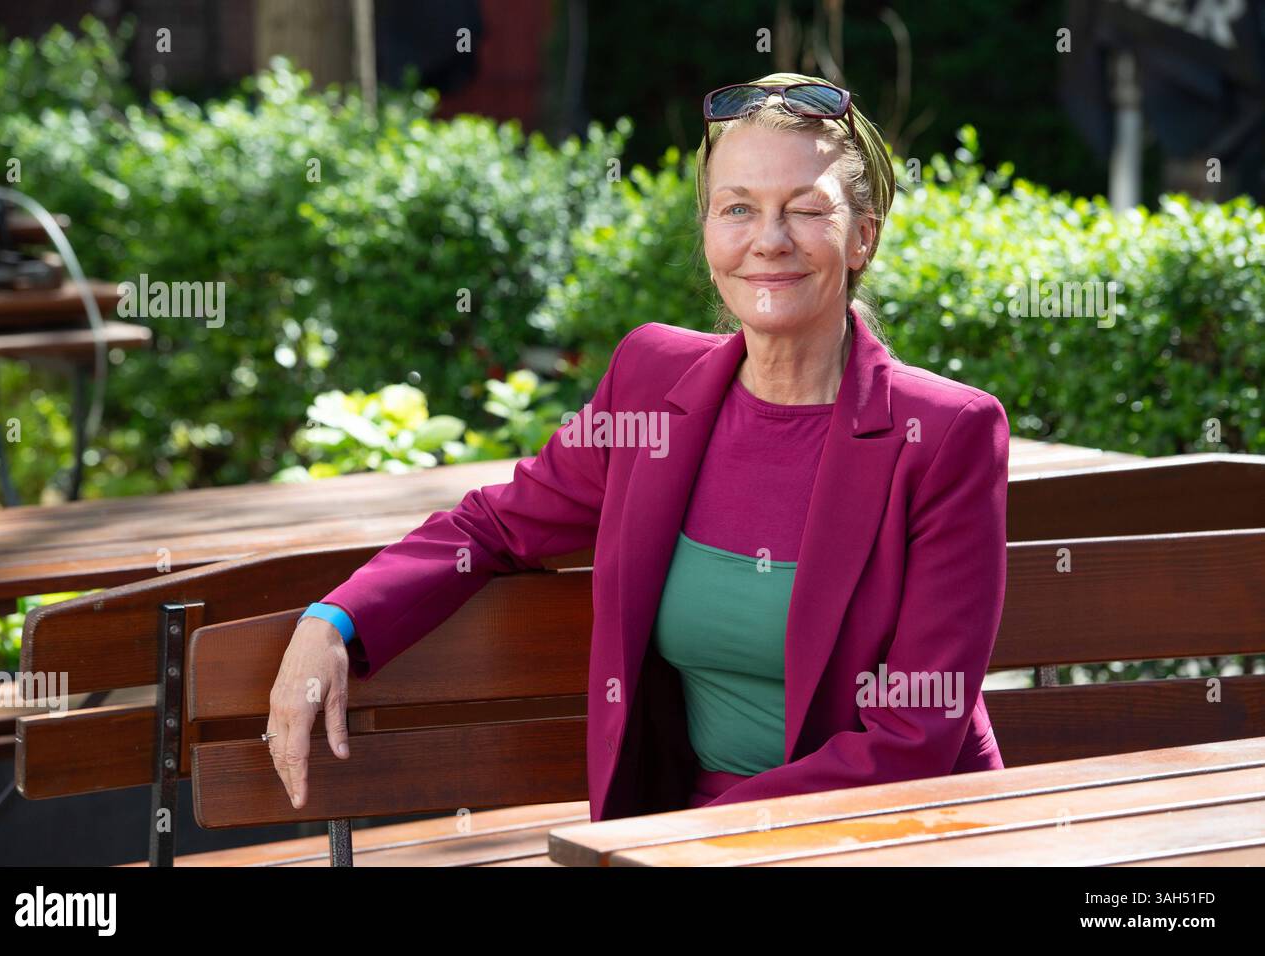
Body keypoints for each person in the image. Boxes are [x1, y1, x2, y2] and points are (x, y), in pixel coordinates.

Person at [266, 72, 1009, 823]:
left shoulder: (945, 436)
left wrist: (698, 839)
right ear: (709, 230)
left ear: (863, 236)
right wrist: (335, 620)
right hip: (681, 830)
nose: (768, 241)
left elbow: (912, 738)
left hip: (878, 831)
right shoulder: (652, 382)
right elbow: (495, 526)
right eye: (738, 208)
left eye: (806, 210)